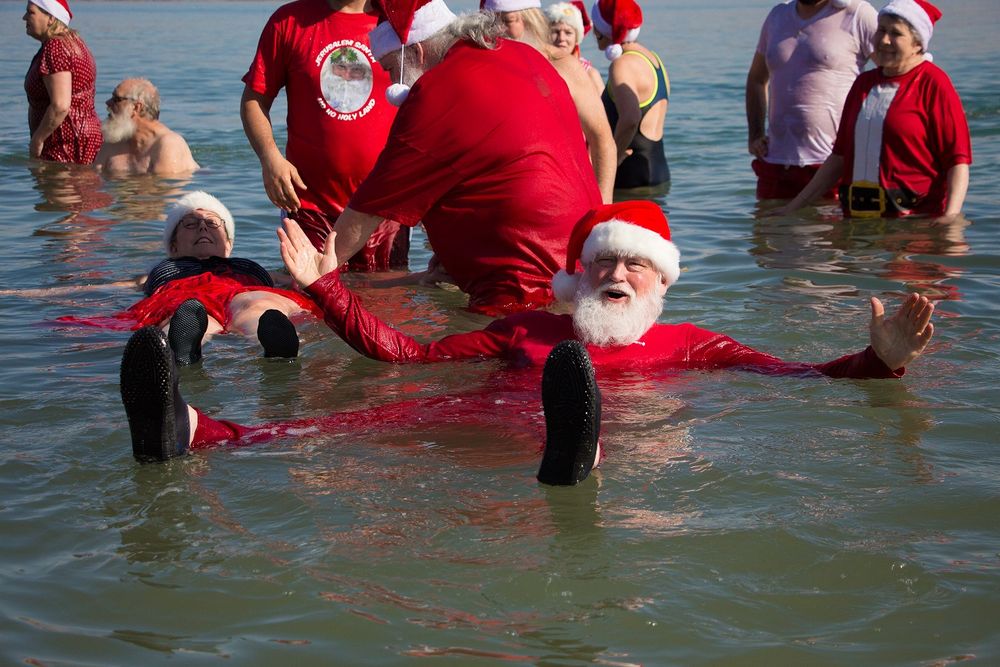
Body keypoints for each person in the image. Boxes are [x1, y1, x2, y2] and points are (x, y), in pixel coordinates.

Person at [119, 202, 937, 486]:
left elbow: (799, 376)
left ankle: (573, 457)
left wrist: (880, 359)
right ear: (580, 278)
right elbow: (403, 357)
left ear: (661, 284)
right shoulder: (529, 329)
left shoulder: (692, 343)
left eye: (635, 266)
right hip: (489, 420)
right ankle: (196, 433)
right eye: (604, 261)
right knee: (370, 426)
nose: (618, 273)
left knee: (630, 447)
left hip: (621, 443)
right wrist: (326, 287)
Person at [329, 0, 603, 315]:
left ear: (416, 54)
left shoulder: (436, 90)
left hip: (522, 298)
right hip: (588, 276)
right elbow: (507, 161)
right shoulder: (525, 54)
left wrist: (313, 275)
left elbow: (366, 212)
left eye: (392, 69)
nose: (393, 83)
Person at [240, 0, 408, 271]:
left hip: (384, 205)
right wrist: (270, 158)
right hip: (309, 204)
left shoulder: (400, 21)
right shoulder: (289, 21)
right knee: (311, 302)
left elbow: (432, 103)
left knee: (387, 301)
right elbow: (254, 101)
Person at [60, 192, 321, 364]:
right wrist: (22, 295)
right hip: (182, 295)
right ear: (173, 246)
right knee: (188, 316)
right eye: (191, 223)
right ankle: (186, 350)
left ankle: (273, 345)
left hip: (244, 291)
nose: (203, 226)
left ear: (228, 245)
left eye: (212, 222)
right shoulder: (160, 271)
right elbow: (104, 288)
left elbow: (300, 279)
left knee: (260, 306)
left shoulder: (248, 268)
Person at [777, 0, 971, 220]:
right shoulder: (863, 83)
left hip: (913, 222)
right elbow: (839, 157)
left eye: (896, 34)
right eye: (881, 30)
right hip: (858, 221)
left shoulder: (933, 83)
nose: (884, 40)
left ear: (918, 44)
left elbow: (957, 160)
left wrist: (950, 217)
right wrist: (793, 207)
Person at [483, 0, 615, 202]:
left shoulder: (565, 66)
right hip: (501, 201)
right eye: (489, 24)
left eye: (506, 21)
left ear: (528, 19)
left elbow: (602, 141)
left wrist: (603, 209)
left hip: (563, 197)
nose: (495, 31)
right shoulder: (487, 65)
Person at [745, 0, 878, 200]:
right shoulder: (777, 16)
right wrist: (755, 134)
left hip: (833, 164)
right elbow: (756, 79)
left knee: (830, 231)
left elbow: (893, 72)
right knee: (768, 230)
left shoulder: (857, 14)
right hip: (775, 165)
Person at [590, 0, 670, 189]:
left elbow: (631, 118)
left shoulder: (622, 65)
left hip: (631, 176)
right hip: (658, 170)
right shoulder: (652, 58)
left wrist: (612, 159)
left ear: (604, 31)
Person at [23, 0, 102, 164]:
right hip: (82, 138)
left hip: (66, 144)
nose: (24, 18)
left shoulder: (56, 47)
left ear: (51, 18)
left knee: (62, 189)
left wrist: (38, 139)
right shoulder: (73, 42)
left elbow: (60, 105)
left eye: (31, 12)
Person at [93, 78, 200, 176]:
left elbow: (165, 192)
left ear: (136, 107)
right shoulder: (112, 143)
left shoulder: (168, 144)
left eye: (116, 99)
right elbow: (93, 179)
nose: (107, 103)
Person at [546, 1, 604, 93]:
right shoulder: (539, 67)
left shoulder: (589, 73)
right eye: (555, 32)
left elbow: (604, 106)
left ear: (577, 37)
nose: (561, 38)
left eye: (568, 33)